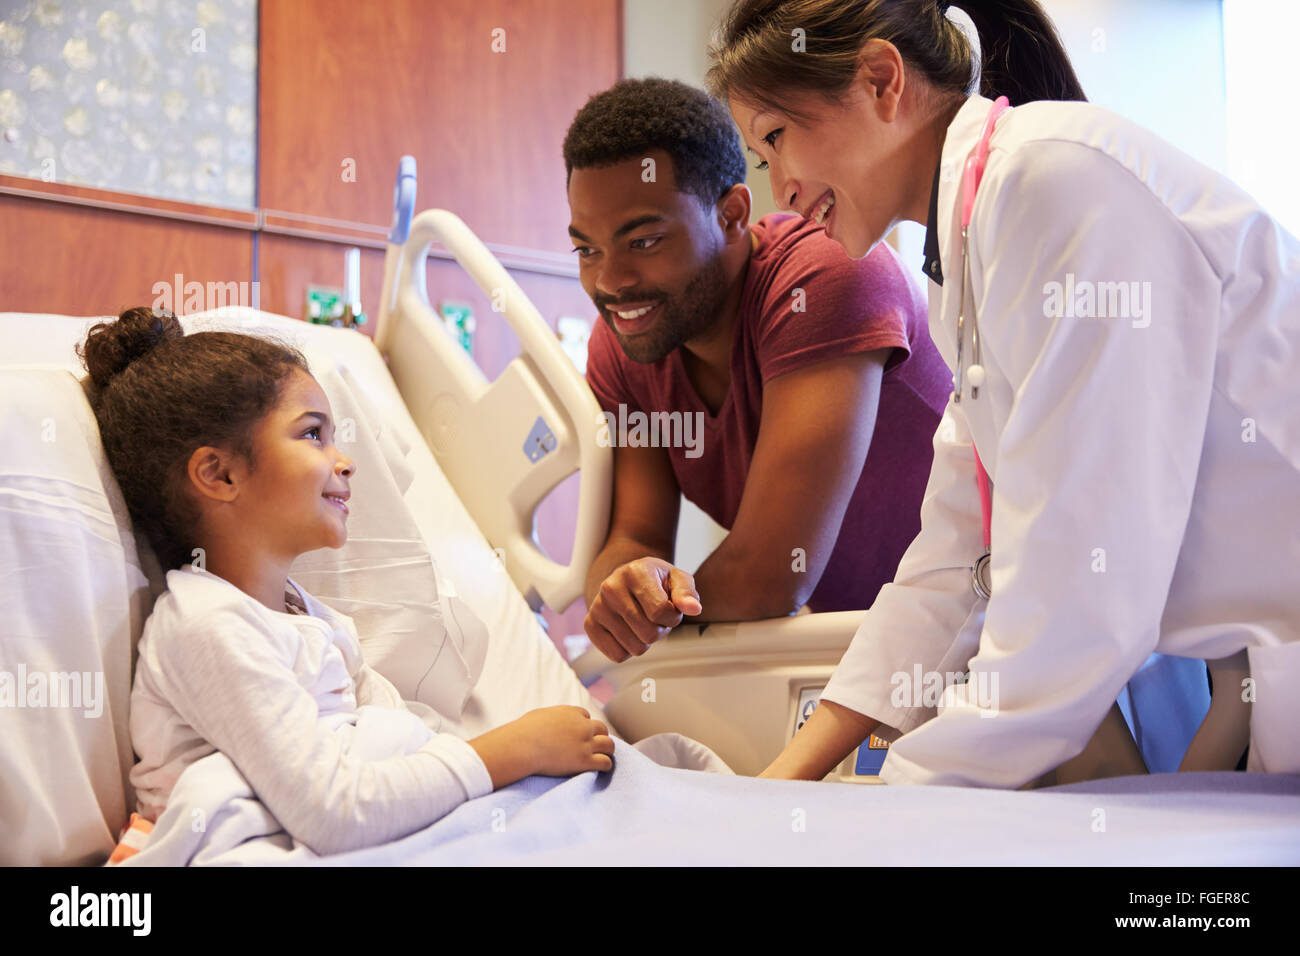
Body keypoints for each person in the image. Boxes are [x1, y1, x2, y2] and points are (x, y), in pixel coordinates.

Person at [707, 0, 1300, 787]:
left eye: (777, 137)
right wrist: (787, 777)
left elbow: (1082, 596)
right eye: (759, 157)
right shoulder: (970, 258)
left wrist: (903, 794)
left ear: (883, 81)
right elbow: (956, 555)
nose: (781, 188)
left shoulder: (1053, 181)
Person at [79, 308, 614, 855]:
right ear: (220, 475)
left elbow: (406, 749)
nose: (346, 461)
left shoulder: (311, 617)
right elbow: (332, 812)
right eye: (313, 434)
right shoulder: (205, 625)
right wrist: (512, 752)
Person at [564, 78, 953, 663]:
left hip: (989, 622)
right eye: (586, 250)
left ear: (732, 214)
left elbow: (771, 575)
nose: (610, 282)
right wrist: (627, 592)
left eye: (643, 241)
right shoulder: (625, 347)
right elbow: (636, 536)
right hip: (865, 649)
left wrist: (663, 614)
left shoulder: (826, 278)